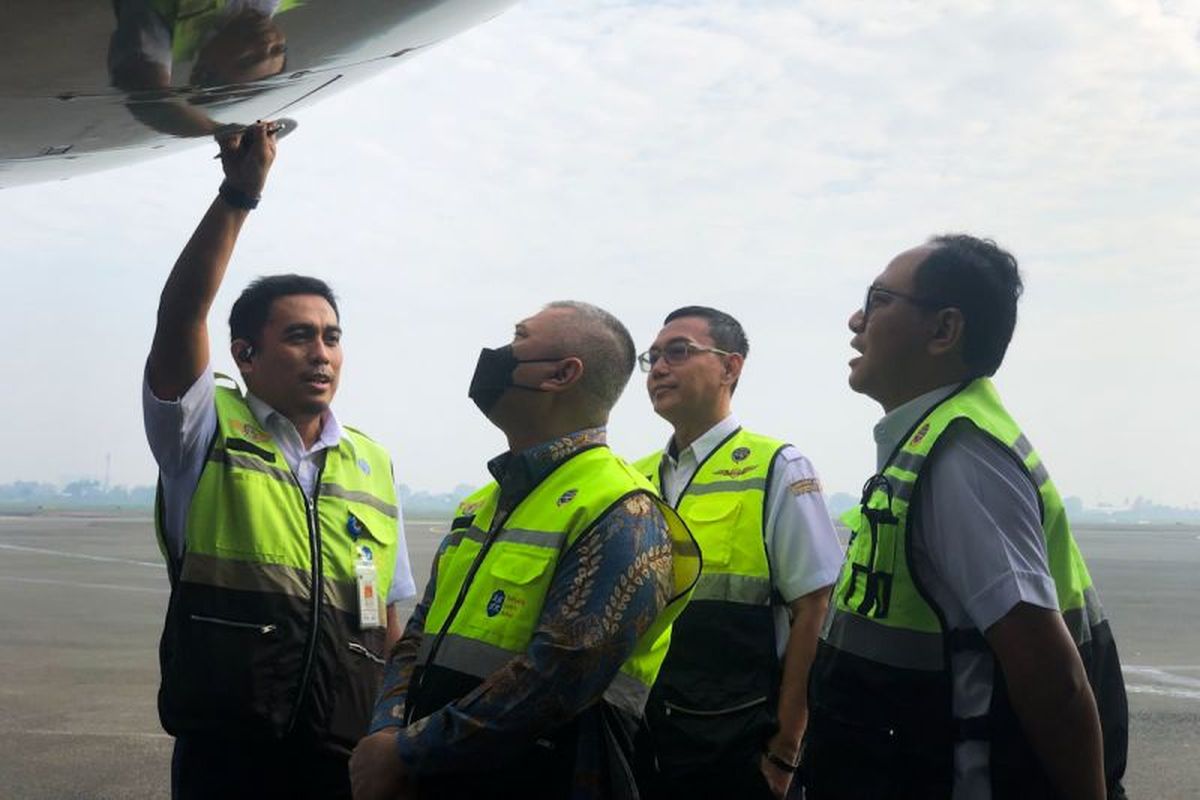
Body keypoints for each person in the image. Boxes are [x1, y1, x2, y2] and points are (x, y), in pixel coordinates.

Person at [142, 121, 415, 799]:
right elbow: (180, 317)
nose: (320, 353)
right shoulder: (203, 431)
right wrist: (239, 196)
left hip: (340, 750)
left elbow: (393, 616)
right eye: (297, 337)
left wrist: (394, 730)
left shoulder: (371, 463)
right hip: (228, 752)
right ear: (244, 353)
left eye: (331, 337)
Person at [801, 235, 1128, 799]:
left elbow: (1051, 675)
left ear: (944, 331)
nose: (856, 320)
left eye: (877, 300)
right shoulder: (930, 438)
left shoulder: (961, 457)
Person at [349, 301, 702, 800]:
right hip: (434, 777)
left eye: (518, 339)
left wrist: (406, 752)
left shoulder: (624, 512)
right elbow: (416, 636)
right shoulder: (482, 505)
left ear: (560, 374)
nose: (498, 353)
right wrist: (386, 732)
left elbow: (559, 677)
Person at [630, 306, 844, 799]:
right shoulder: (634, 477)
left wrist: (786, 749)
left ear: (730, 368)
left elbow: (815, 609)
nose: (659, 368)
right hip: (641, 735)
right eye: (653, 357)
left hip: (734, 743)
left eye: (679, 352)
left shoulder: (778, 467)